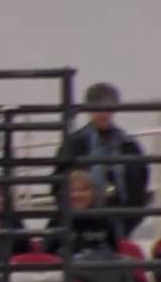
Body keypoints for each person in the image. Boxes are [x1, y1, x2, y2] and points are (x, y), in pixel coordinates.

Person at [52, 82, 149, 238]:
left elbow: (139, 185)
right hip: (81, 225)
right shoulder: (74, 145)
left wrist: (129, 221)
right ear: (89, 110)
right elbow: (58, 187)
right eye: (98, 108)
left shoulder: (129, 145)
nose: (103, 114)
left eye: (108, 108)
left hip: (122, 223)